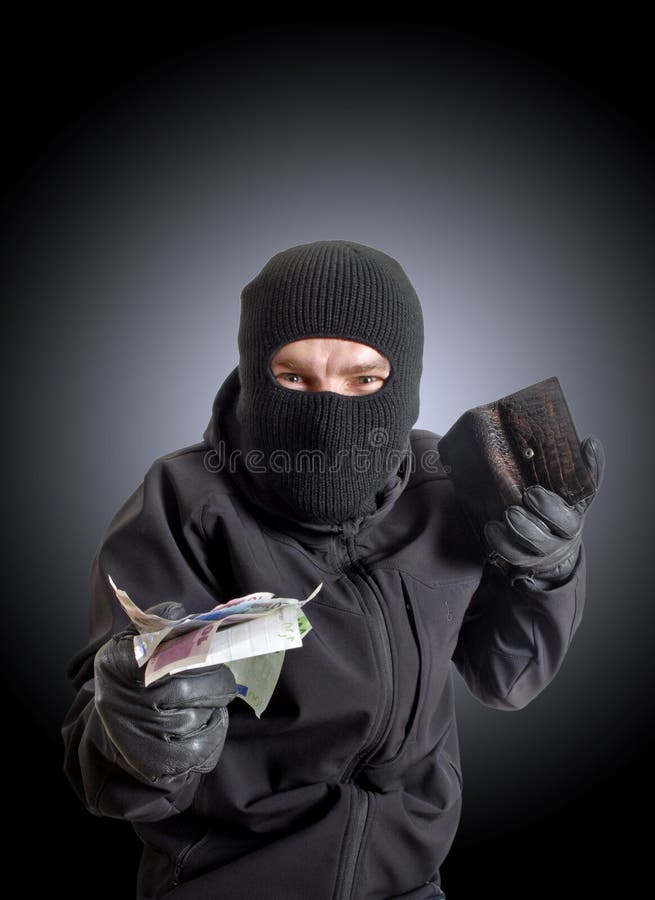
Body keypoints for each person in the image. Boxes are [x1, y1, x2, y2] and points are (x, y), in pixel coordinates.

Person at [61, 239, 605, 900]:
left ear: (401, 383)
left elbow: (507, 675)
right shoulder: (184, 501)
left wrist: (547, 572)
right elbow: (107, 773)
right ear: (255, 373)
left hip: (410, 883)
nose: (329, 413)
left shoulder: (444, 484)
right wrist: (139, 731)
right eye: (294, 377)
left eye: (364, 379)